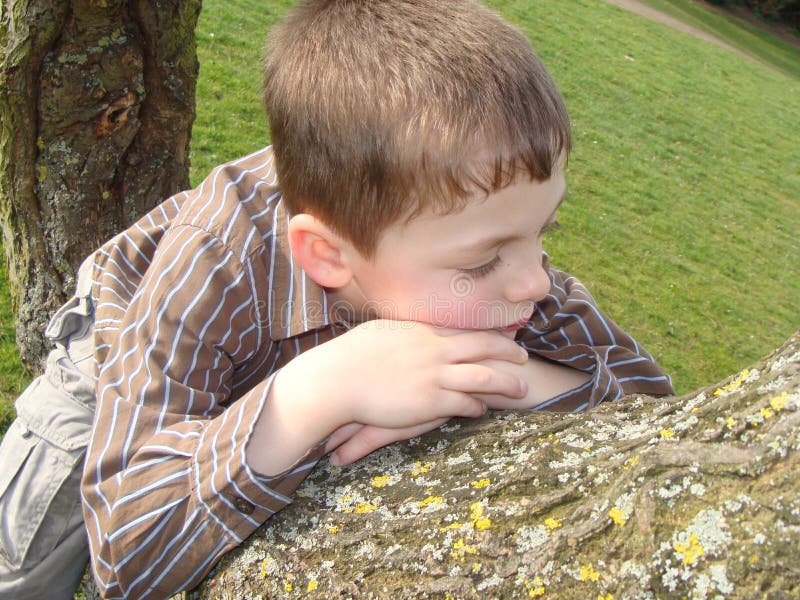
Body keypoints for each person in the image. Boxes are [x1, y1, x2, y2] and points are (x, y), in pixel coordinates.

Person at [0, 0, 675, 598]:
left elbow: (660, 414)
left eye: (543, 231)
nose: (535, 281)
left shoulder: (487, 246)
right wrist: (319, 392)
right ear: (327, 254)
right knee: (24, 570)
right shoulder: (215, 263)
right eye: (485, 259)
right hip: (112, 360)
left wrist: (508, 378)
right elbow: (127, 555)